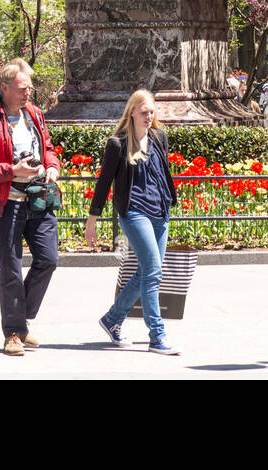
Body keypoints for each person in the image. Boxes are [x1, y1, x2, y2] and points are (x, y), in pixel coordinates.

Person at [0, 59, 60, 356]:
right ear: (5, 87)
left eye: (30, 87)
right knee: (11, 269)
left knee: (48, 260)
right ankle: (13, 335)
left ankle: (19, 321)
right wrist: (13, 170)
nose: (28, 93)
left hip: (38, 198)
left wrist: (52, 166)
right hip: (6, 203)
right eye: (22, 88)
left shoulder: (34, 114)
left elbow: (47, 147)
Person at [85, 89, 180, 355]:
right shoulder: (117, 144)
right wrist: (92, 220)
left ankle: (112, 319)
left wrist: (168, 201)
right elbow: (104, 184)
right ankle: (157, 336)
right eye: (143, 112)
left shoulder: (160, 138)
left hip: (160, 212)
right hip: (134, 212)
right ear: (132, 112)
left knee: (148, 272)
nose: (149, 117)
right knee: (152, 271)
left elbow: (162, 174)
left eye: (152, 112)